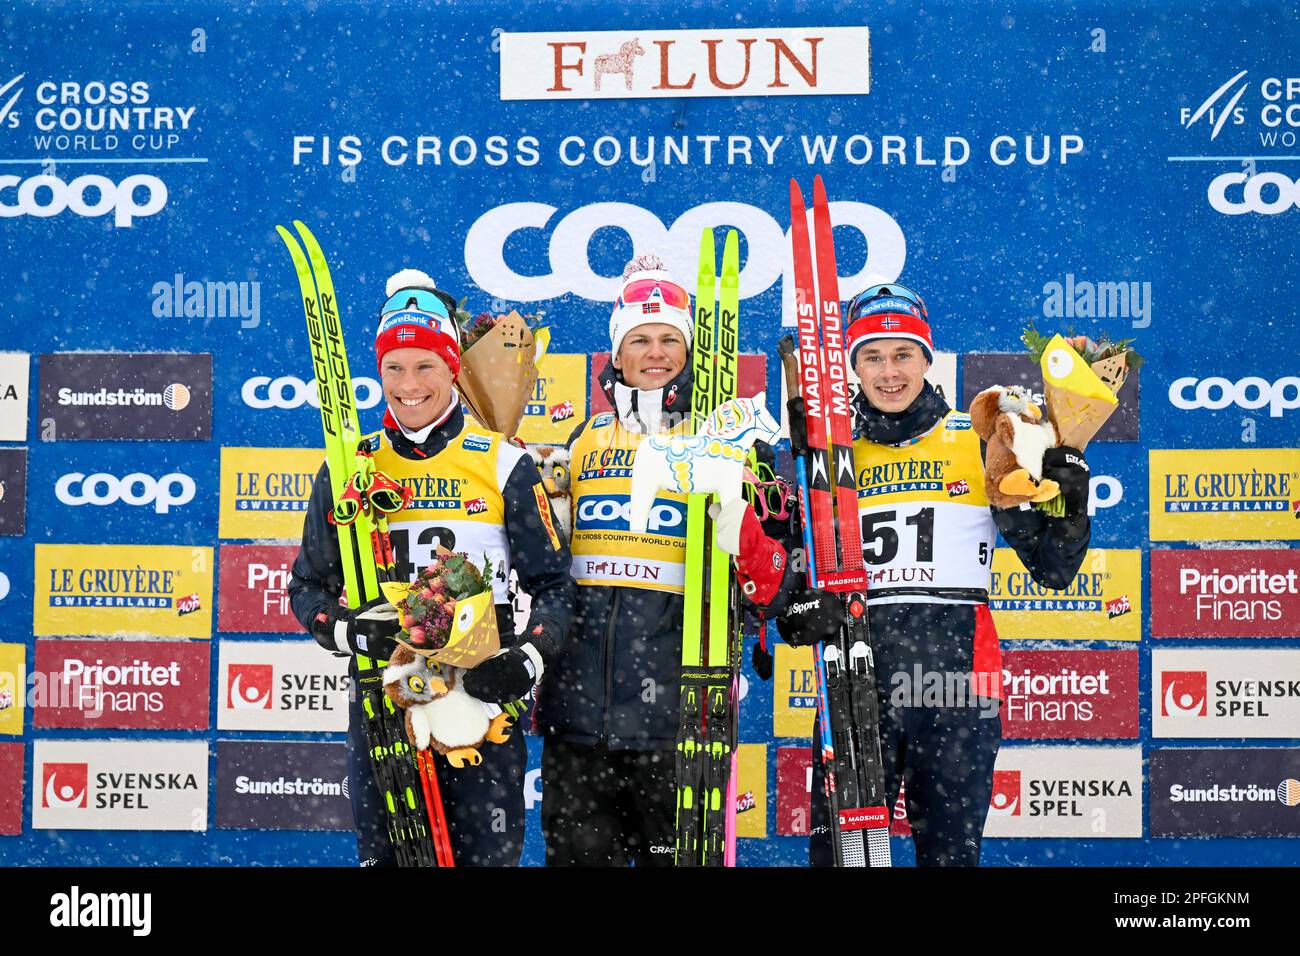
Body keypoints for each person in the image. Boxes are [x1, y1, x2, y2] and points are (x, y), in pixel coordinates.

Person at [776, 283, 1093, 866]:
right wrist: (798, 615)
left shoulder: (979, 441)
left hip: (957, 687)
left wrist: (1072, 503)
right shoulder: (825, 455)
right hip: (855, 679)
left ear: (928, 357)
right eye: (872, 356)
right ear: (853, 364)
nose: (889, 371)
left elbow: (1052, 569)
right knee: (844, 861)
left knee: (949, 857)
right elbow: (791, 582)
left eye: (903, 354)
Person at [288, 269, 575, 867]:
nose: (409, 383)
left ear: (453, 369)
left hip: (480, 708)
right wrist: (348, 631)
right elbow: (309, 587)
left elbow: (553, 586)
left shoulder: (503, 463)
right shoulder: (353, 464)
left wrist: (524, 660)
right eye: (394, 366)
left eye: (425, 366)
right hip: (384, 706)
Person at [534, 254, 792, 866]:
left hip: (680, 725)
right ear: (616, 355)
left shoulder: (735, 441)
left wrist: (742, 526)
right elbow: (544, 567)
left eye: (670, 339)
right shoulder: (584, 441)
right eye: (640, 339)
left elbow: (773, 587)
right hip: (577, 724)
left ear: (691, 351)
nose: (655, 353)